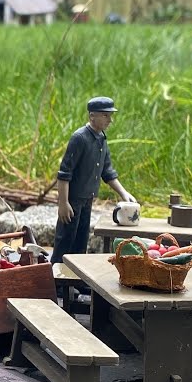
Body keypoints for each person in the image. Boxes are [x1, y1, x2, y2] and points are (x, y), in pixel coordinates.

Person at [50, 96, 136, 264]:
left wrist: (124, 193)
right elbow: (64, 173)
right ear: (92, 116)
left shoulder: (102, 139)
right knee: (65, 240)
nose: (110, 120)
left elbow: (107, 171)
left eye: (110, 115)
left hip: (87, 200)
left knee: (81, 241)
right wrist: (63, 202)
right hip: (73, 200)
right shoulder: (80, 138)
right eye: (105, 115)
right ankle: (57, 284)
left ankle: (75, 281)